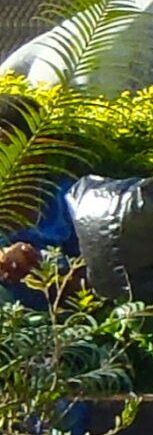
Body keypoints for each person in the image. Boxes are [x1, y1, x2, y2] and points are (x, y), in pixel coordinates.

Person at [0, 93, 77, 306]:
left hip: (59, 329)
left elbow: (103, 281)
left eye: (7, 146)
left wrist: (46, 272)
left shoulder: (68, 200)